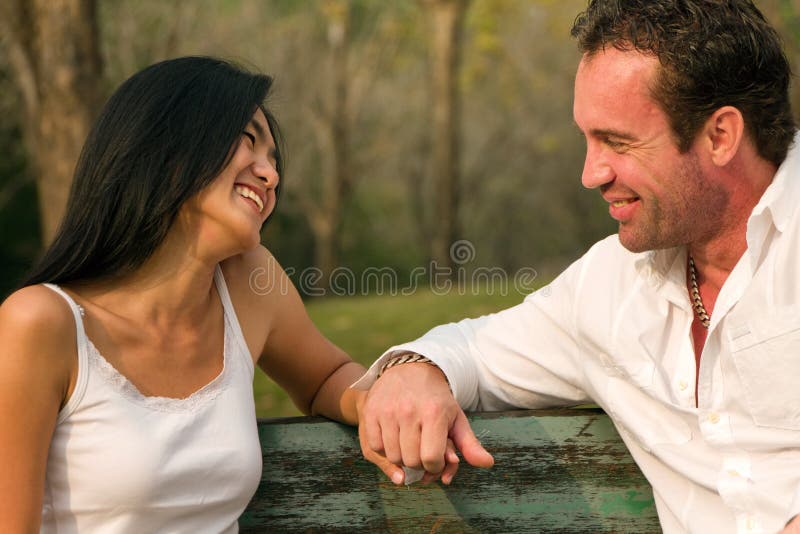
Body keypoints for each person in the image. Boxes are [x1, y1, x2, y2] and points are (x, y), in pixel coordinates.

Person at [355, 1, 800, 532]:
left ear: (720, 136)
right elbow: (471, 351)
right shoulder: (610, 287)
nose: (591, 173)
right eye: (587, 139)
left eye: (618, 141)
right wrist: (416, 371)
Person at [0, 56, 366, 532]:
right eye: (250, 143)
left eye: (273, 161)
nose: (271, 175)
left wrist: (392, 397)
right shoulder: (41, 324)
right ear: (168, 150)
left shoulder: (250, 285)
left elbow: (326, 377)